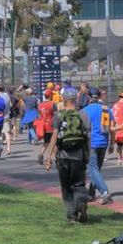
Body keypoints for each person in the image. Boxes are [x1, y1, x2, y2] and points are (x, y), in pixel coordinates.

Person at [44, 87, 91, 223]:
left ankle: (71, 215)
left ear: (64, 100)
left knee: (66, 186)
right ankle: (81, 204)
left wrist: (49, 157)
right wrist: (88, 154)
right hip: (79, 156)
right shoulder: (83, 115)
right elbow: (87, 138)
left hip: (63, 156)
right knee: (79, 184)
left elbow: (54, 137)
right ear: (76, 99)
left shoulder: (58, 116)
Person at [82, 87, 114, 204]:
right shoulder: (106, 110)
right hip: (103, 142)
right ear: (99, 96)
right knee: (96, 169)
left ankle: (105, 192)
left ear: (89, 97)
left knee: (93, 169)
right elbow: (110, 127)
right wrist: (112, 143)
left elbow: (82, 129)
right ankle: (91, 193)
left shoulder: (85, 111)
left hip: (91, 143)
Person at [36, 88, 57, 164]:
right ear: (50, 96)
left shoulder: (40, 105)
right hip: (51, 126)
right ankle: (55, 158)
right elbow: (56, 115)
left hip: (43, 126)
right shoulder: (52, 104)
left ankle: (41, 154)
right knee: (54, 142)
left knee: (46, 142)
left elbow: (39, 115)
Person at [111, 92, 123, 166]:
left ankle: (119, 160)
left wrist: (113, 126)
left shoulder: (114, 105)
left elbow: (112, 117)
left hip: (116, 127)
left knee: (119, 145)